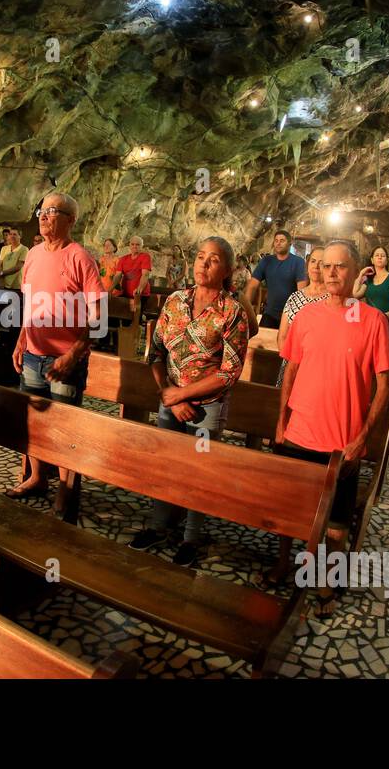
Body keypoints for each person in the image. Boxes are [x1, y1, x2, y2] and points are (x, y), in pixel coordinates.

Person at [275, 240, 389, 616]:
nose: (331, 273)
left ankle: (328, 582)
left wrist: (364, 436)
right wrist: (281, 422)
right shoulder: (306, 316)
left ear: (355, 269)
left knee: (337, 527)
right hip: (299, 433)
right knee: (293, 512)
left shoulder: (373, 320)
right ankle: (282, 569)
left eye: (340, 266)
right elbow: (290, 370)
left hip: (342, 440)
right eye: (326, 266)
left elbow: (384, 385)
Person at [128, 237, 248, 566]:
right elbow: (155, 352)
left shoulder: (232, 312)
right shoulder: (175, 302)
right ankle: (158, 526)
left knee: (200, 471)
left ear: (227, 269)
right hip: (171, 398)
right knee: (165, 464)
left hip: (208, 406)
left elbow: (230, 371)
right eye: (199, 257)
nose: (203, 264)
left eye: (213, 260)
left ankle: (192, 538)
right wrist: (168, 390)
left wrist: (182, 395)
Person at [8, 192, 102, 501]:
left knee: (65, 428)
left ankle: (66, 490)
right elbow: (30, 302)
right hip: (33, 354)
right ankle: (37, 477)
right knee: (35, 421)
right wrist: (22, 340)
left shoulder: (80, 257)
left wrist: (73, 355)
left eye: (53, 211)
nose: (44, 216)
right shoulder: (33, 254)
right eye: (42, 210)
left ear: (71, 220)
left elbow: (98, 315)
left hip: (65, 359)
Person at [275, 247, 329, 384]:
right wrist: (292, 362)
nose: (316, 266)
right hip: (291, 365)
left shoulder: (332, 299)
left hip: (319, 368)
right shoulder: (294, 297)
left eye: (322, 263)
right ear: (307, 266)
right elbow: (282, 336)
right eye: (313, 261)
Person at [243, 230, 307, 345]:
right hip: (270, 313)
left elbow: (301, 291)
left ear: (289, 243)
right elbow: (252, 286)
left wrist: (300, 318)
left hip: (290, 315)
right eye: (276, 240)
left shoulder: (298, 262)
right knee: (260, 345)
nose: (278, 243)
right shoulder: (266, 261)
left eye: (282, 241)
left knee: (286, 350)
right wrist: (245, 311)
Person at [352, 246, 389, 321]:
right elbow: (355, 295)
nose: (380, 257)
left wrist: (382, 316)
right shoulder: (369, 281)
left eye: (383, 256)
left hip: (384, 323)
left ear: (386, 260)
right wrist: (361, 274)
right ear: (372, 260)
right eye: (377, 255)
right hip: (369, 322)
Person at [117, 236, 153, 313]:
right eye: (132, 244)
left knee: (133, 317)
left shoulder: (145, 257)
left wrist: (139, 289)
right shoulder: (123, 259)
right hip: (126, 293)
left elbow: (145, 275)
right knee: (114, 307)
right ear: (129, 245)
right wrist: (110, 289)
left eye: (137, 244)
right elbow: (117, 275)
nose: (134, 246)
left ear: (141, 246)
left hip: (140, 294)